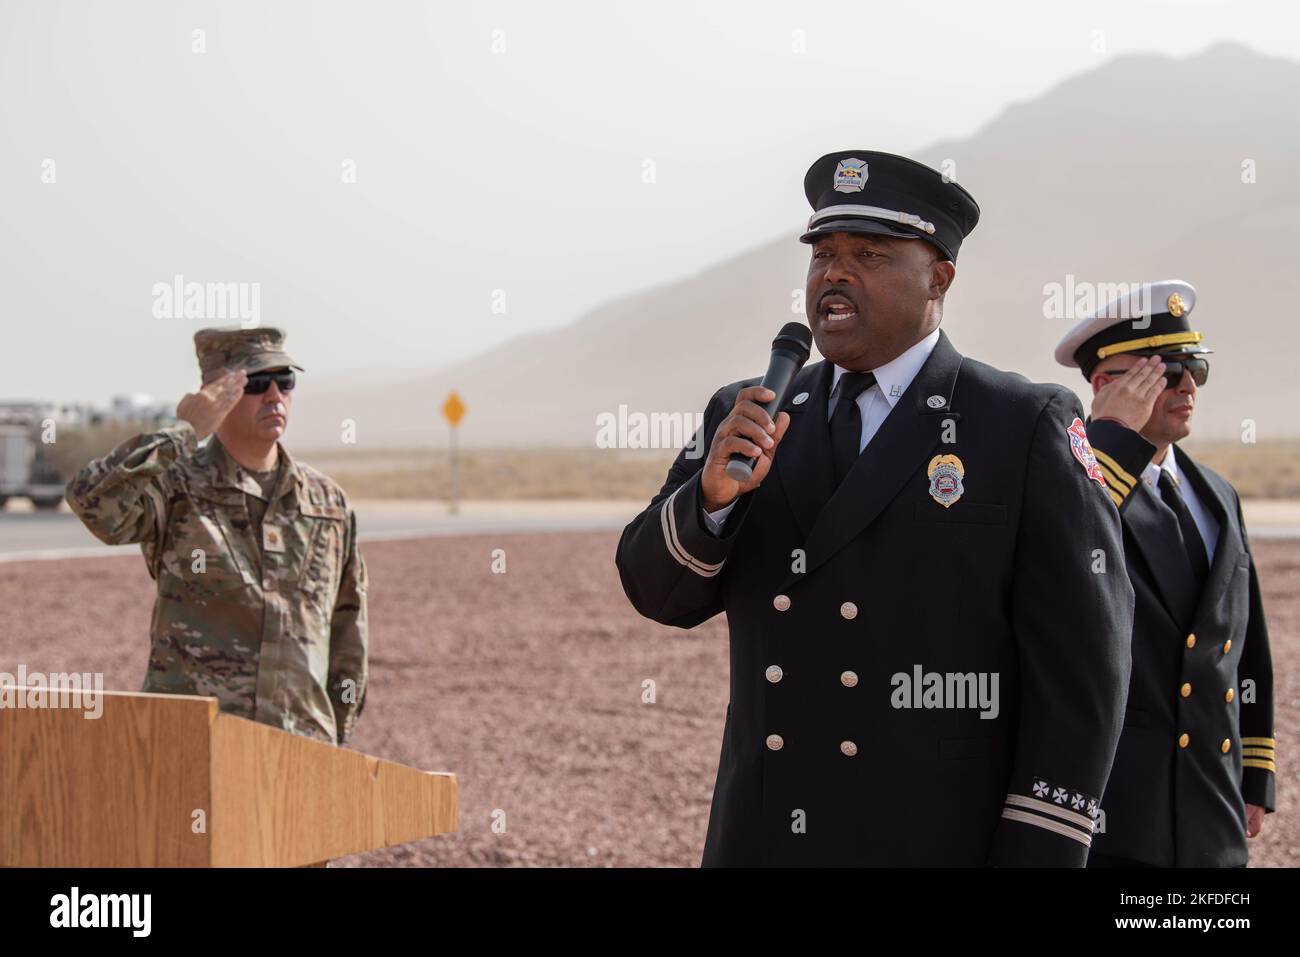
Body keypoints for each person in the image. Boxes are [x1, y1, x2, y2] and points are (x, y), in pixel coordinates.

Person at [616, 150, 1134, 866]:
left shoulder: (1019, 423)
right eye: (823, 253)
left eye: (868, 253)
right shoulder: (751, 414)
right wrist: (710, 499)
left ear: (939, 277)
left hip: (937, 839)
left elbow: (1085, 670)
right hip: (765, 838)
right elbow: (656, 593)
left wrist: (1039, 850)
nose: (834, 273)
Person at [1055, 281, 1275, 867]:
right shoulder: (1075, 481)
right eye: (1165, 370)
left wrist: (1255, 775)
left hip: (1210, 801)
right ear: (1105, 385)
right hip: (1117, 807)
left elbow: (1243, 644)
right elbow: (1066, 553)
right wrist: (1106, 440)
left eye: (1195, 367)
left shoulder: (1216, 494)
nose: (1187, 386)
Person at [66, 326, 368, 746]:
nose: (274, 395)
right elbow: (91, 503)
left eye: (285, 381)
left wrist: (336, 743)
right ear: (215, 393)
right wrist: (184, 431)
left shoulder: (326, 503)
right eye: (257, 383)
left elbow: (347, 634)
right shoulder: (176, 486)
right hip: (194, 749)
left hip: (300, 758)